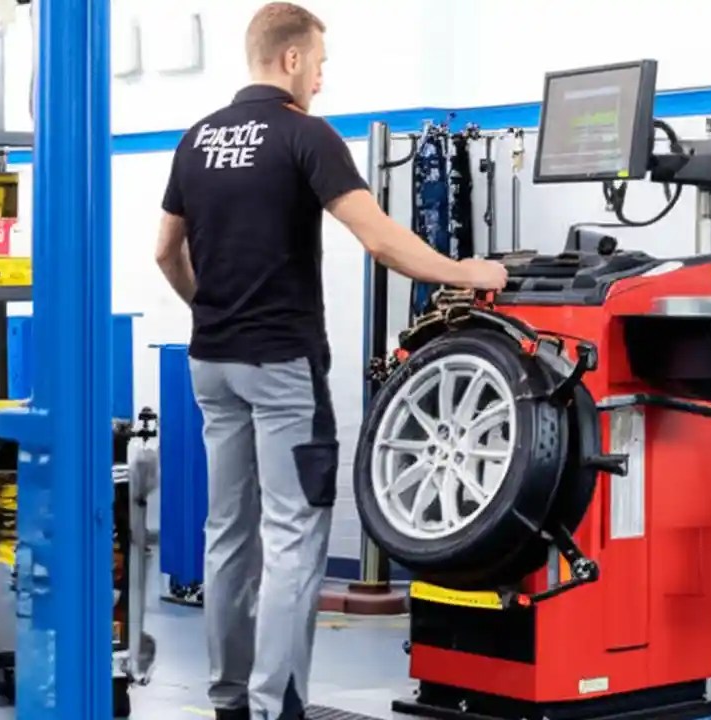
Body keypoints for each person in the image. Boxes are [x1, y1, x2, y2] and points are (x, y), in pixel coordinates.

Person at [153, 3, 508, 719]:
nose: (322, 74)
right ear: (289, 59)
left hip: (212, 362)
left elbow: (165, 250)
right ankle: (275, 705)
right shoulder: (305, 135)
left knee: (227, 534)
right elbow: (377, 239)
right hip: (281, 365)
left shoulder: (197, 139)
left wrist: (209, 307)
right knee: (292, 537)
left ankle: (229, 700)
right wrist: (466, 272)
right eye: (319, 61)